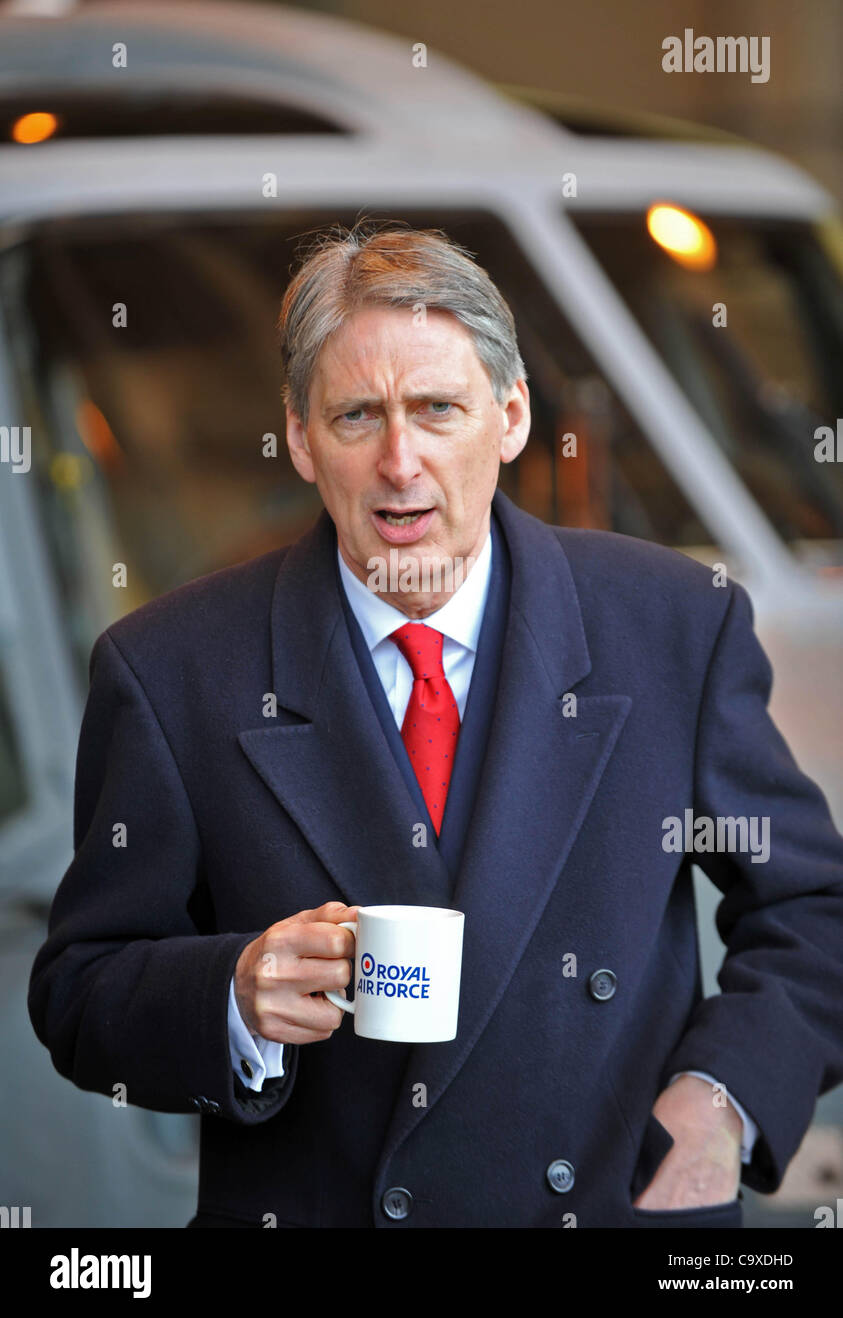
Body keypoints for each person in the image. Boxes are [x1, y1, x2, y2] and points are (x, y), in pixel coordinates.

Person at [29, 222, 843, 1229]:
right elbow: (79, 991)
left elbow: (816, 909)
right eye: (357, 415)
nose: (399, 462)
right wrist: (231, 998)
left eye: (437, 409)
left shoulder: (674, 625)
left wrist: (722, 1107)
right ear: (299, 435)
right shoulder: (171, 669)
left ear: (510, 417)